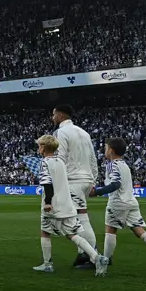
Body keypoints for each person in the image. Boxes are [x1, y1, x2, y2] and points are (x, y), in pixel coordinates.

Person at [92, 137, 146, 273]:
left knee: (111, 230)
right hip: (131, 202)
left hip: (118, 203)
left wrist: (97, 191)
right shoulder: (124, 165)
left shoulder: (112, 165)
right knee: (139, 231)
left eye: (106, 148)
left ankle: (105, 260)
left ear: (111, 151)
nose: (105, 150)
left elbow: (115, 184)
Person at [32, 135, 106, 276]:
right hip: (67, 204)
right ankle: (97, 257)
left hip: (53, 204)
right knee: (72, 234)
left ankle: (47, 264)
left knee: (45, 232)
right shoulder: (60, 161)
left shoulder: (44, 163)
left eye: (39, 145)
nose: (38, 148)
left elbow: (48, 184)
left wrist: (48, 202)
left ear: (43, 147)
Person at [53, 105, 100, 269]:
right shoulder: (84, 133)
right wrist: (93, 179)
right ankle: (83, 253)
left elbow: (60, 158)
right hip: (86, 179)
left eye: (53, 115)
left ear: (59, 115)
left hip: (73, 180)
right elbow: (93, 159)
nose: (52, 118)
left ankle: (92, 256)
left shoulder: (61, 133)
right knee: (77, 218)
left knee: (80, 219)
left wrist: (58, 183)